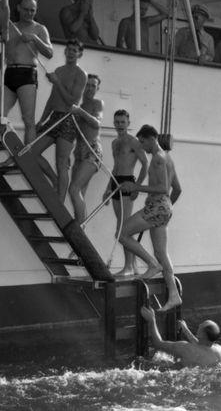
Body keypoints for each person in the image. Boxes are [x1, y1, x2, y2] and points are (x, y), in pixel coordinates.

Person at [118, 124, 182, 311]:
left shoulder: (158, 159)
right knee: (162, 252)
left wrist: (135, 187)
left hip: (157, 206)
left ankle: (153, 265)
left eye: (143, 142)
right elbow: (177, 189)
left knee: (122, 234)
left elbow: (163, 189)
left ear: (153, 139)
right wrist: (167, 207)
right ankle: (174, 296)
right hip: (163, 208)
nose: (142, 147)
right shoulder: (168, 158)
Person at [32, 40, 88, 203]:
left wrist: (56, 82)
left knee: (61, 162)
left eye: (75, 50)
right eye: (69, 49)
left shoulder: (81, 74)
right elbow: (52, 99)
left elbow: (72, 101)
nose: (71, 53)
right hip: (54, 116)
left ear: (80, 54)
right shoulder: (58, 70)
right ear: (65, 52)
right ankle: (54, 179)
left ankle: (60, 201)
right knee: (33, 152)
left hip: (68, 119)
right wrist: (42, 120)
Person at [0, 0, 53, 146]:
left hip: (26, 73)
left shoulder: (39, 28)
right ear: (19, 8)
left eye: (32, 10)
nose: (29, 13)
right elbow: (4, 53)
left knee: (28, 119)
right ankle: (14, 149)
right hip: (9, 73)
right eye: (26, 9)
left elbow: (49, 52)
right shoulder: (11, 27)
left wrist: (34, 38)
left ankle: (29, 154)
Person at [104, 109, 149, 277]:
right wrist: (108, 188)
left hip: (128, 183)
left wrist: (136, 187)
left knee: (124, 227)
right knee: (120, 224)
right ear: (114, 123)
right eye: (117, 122)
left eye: (123, 122)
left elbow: (145, 164)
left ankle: (128, 266)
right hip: (116, 183)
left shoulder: (134, 142)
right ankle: (133, 265)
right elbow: (115, 167)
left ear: (128, 123)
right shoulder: (114, 143)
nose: (120, 125)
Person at [67, 74, 104, 225]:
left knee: (74, 189)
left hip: (92, 149)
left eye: (93, 86)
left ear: (97, 89)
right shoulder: (79, 107)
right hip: (79, 151)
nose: (90, 89)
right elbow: (75, 133)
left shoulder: (97, 103)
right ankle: (80, 231)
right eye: (87, 85)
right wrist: (68, 152)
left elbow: (96, 123)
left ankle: (80, 233)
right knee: (79, 194)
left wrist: (80, 112)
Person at [139, 306, 221, 367]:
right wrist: (186, 330)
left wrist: (152, 320)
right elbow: (200, 344)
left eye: (201, 325)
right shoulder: (219, 350)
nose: (199, 324)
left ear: (201, 335)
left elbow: (158, 343)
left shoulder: (185, 348)